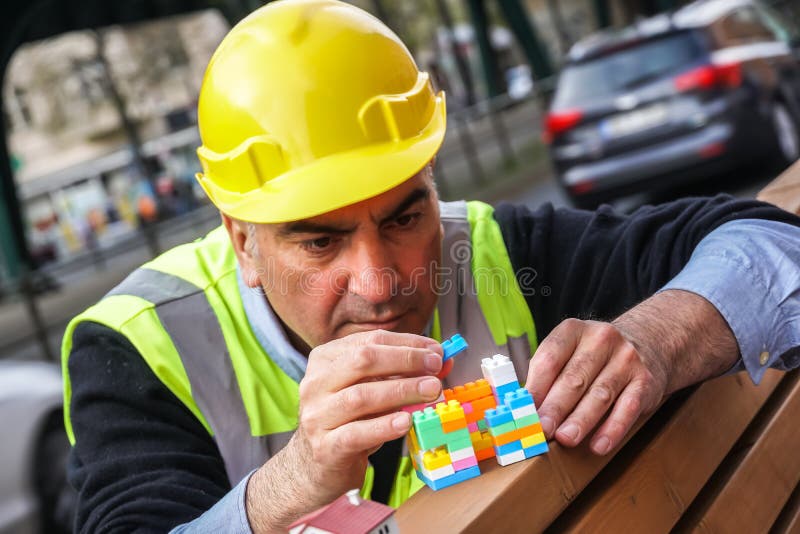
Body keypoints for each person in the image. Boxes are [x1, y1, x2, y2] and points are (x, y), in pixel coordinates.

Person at [62, 1, 800, 532]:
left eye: (405, 217)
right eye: (320, 242)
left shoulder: (495, 250)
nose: (381, 282)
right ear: (243, 242)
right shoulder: (139, 348)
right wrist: (292, 482)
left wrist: (657, 339)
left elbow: (775, 247)